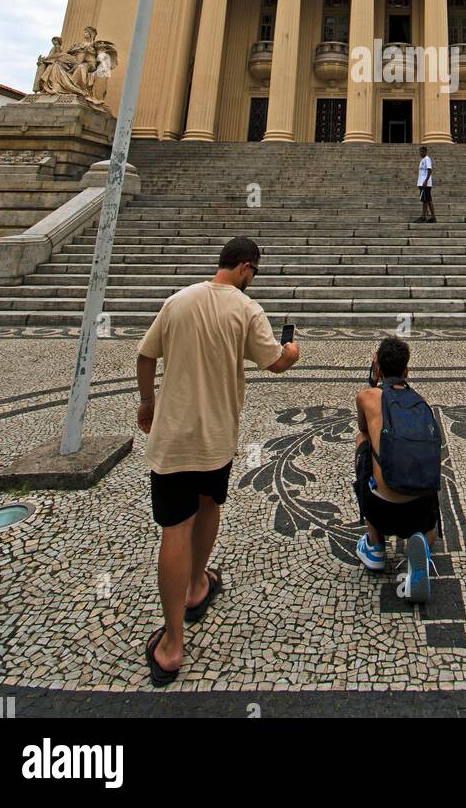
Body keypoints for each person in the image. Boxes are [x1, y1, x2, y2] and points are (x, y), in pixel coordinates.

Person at [136, 235, 300, 685]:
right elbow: (276, 363)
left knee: (175, 526)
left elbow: (145, 355)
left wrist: (147, 403)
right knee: (210, 504)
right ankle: (196, 588)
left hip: (173, 439)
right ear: (246, 267)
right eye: (256, 272)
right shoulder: (246, 310)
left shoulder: (178, 300)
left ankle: (172, 644)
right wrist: (293, 351)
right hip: (216, 439)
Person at [354, 336, 439, 602]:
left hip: (382, 509)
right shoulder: (420, 402)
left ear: (377, 367)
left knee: (363, 440)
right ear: (407, 370)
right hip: (421, 509)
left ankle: (375, 544)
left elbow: (363, 428)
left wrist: (373, 378)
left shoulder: (367, 396)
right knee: (428, 526)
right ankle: (421, 548)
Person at [415, 144, 436, 223]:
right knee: (427, 200)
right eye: (420, 151)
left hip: (425, 184)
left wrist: (426, 181)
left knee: (426, 200)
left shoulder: (427, 159)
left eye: (422, 151)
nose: (421, 153)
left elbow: (430, 170)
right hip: (422, 183)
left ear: (426, 152)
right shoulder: (422, 160)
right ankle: (431, 217)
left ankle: (425, 216)